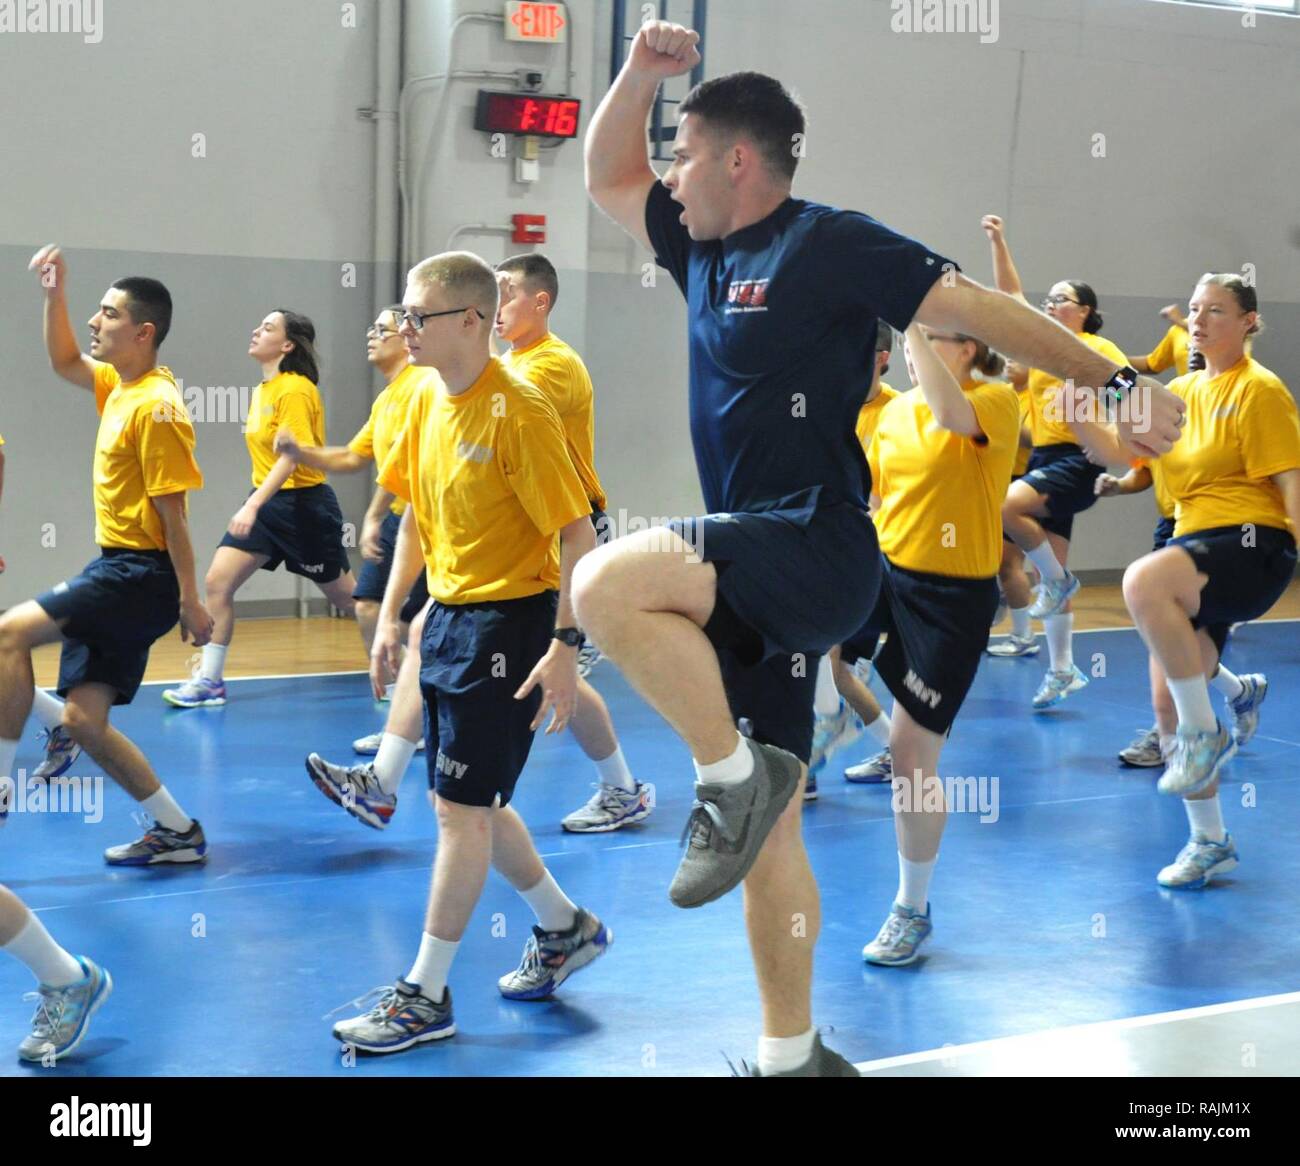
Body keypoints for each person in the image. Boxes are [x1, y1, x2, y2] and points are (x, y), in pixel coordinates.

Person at [577, 22, 1181, 1077]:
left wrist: (1119, 379)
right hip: (753, 576)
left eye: (685, 152)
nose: (666, 174)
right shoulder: (701, 248)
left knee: (602, 581)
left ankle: (729, 775)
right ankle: (791, 1052)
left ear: (737, 160)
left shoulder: (828, 240)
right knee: (773, 847)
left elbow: (979, 309)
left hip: (816, 543)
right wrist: (637, 72)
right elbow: (607, 171)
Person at [330, 252, 609, 1053]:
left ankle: (425, 994)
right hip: (449, 619)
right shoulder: (420, 398)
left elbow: (577, 535)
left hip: (513, 626)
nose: (404, 328)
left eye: (420, 315)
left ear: (473, 321)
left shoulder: (519, 411)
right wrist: (392, 619)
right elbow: (417, 516)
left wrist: (564, 646)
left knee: (458, 814)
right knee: (473, 806)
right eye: (404, 313)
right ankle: (566, 928)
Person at [1, 244, 217, 1058]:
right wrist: (52, 294)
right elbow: (60, 356)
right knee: (88, 724)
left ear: (146, 333)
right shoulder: (114, 384)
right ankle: (176, 830)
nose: (95, 323)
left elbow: (175, 516)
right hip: (113, 567)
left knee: (7, 633)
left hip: (138, 572)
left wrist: (191, 599)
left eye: (109, 315)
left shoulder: (158, 406)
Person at [1079, 274, 1297, 888]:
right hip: (1189, 545)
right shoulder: (1177, 390)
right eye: (1195, 311)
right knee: (1164, 707)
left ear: (1249, 321)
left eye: (1217, 312)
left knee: (1143, 582)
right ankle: (1210, 840)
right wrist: (1087, 408)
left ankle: (1209, 727)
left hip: (1253, 544)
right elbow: (1132, 458)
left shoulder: (1260, 391)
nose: (1199, 321)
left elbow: (1290, 486)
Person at [858, 324, 1018, 965]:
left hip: (949, 604)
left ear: (971, 348)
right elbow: (871, 495)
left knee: (910, 758)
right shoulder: (893, 412)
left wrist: (911, 320)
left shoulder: (993, 401)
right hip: (887, 579)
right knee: (797, 628)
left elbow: (951, 413)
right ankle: (827, 713)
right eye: (911, 337)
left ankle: (911, 909)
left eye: (933, 335)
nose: (912, 346)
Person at [495, 253, 653, 831]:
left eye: (507, 293)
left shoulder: (550, 366)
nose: (497, 306)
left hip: (572, 532)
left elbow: (498, 411)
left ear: (540, 302)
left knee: (555, 671)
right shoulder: (510, 363)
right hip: (530, 534)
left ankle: (622, 788)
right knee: (548, 673)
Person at [161, 310, 355, 707]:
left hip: (304, 508)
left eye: (268, 327)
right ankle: (210, 682)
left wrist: (251, 505)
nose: (255, 330)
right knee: (218, 582)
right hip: (268, 505)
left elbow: (292, 459)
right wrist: (256, 504)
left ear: (287, 345)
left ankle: (404, 662)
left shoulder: (296, 389)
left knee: (347, 600)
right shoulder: (265, 389)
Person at [984, 214, 1130, 708]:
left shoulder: (1098, 349)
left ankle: (1060, 580)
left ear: (1085, 310)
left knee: (1007, 506)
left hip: (1079, 459)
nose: (1050, 305)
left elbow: (1132, 394)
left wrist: (1116, 442)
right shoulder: (1043, 347)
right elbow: (1011, 300)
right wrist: (1000, 240)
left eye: (1062, 299)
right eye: (1049, 299)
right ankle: (1064, 669)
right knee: (1049, 575)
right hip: (1044, 456)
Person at [275, 305, 430, 756]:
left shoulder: (421, 385)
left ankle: (413, 720)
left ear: (405, 337)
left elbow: (407, 459)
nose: (372, 335)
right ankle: (411, 718)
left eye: (381, 329)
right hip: (403, 517)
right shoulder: (387, 398)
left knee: (387, 614)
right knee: (380, 613)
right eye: (371, 327)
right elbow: (352, 457)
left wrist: (375, 514)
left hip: (422, 520)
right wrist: (300, 451)